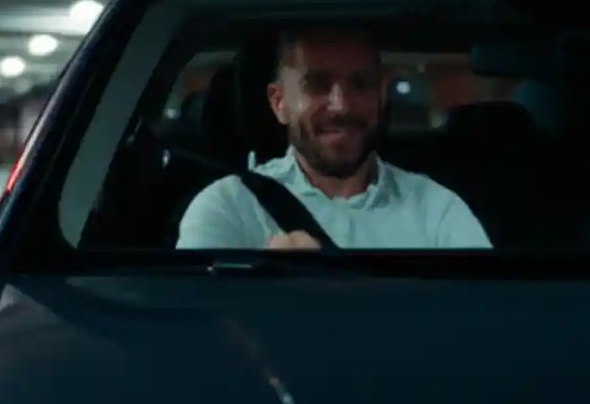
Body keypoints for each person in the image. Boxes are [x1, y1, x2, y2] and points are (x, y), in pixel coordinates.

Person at [177, 27, 491, 250]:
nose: (341, 105)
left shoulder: (436, 209)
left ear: (381, 97)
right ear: (279, 103)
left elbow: (482, 322)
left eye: (361, 84)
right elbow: (194, 335)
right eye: (317, 84)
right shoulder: (229, 207)